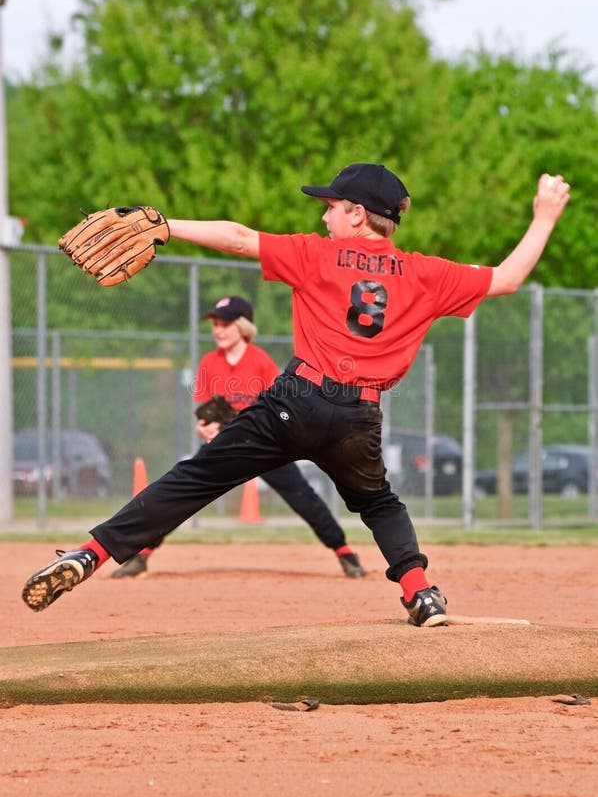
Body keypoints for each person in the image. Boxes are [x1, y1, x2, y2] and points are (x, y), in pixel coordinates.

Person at [22, 163, 570, 626]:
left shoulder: (317, 255)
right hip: (359, 416)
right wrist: (545, 217)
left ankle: (90, 553)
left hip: (295, 400)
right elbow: (507, 278)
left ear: (357, 214)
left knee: (198, 476)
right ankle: (420, 592)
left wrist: (166, 225)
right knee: (378, 502)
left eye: (332, 205)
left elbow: (239, 238)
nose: (324, 214)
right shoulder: (427, 273)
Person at [111, 294, 366, 579]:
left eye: (225, 323)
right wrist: (205, 428)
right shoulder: (209, 362)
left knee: (303, 496)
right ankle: (143, 553)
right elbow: (205, 410)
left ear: (243, 326)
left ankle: (343, 551)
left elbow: (278, 404)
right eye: (216, 324)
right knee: (180, 492)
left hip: (268, 444)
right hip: (225, 442)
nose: (218, 329)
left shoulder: (260, 361)